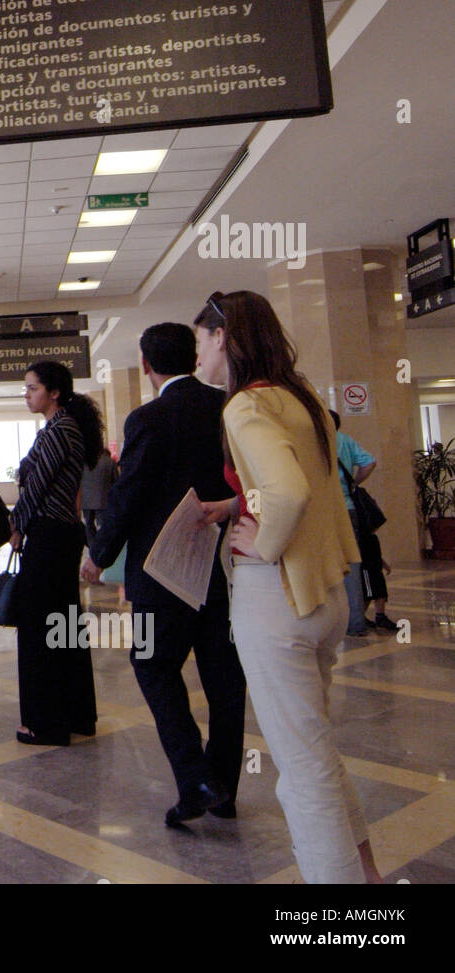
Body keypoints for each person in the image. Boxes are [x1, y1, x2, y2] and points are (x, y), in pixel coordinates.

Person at [193, 290, 381, 884]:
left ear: (222, 336)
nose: (198, 353)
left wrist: (262, 541)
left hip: (276, 600)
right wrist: (235, 506)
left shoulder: (243, 408)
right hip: (324, 594)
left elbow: (292, 494)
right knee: (316, 752)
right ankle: (367, 877)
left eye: (201, 339)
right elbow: (304, 487)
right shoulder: (301, 399)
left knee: (302, 770)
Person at [80, 324, 246, 827]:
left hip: (161, 572)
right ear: (195, 358)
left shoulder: (148, 418)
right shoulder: (227, 409)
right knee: (223, 676)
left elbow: (130, 494)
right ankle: (224, 786)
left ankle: (195, 777)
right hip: (221, 563)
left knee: (153, 665)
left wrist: (99, 553)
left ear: (146, 365)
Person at [9, 361, 102, 747]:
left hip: (48, 535)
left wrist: (16, 524)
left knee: (39, 628)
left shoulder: (58, 430)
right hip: (63, 535)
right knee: (64, 626)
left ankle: (45, 722)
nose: (27, 395)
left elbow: (35, 487)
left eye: (32, 388)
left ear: (54, 393)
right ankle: (77, 714)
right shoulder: (65, 429)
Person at [329, 409, 377, 637]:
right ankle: (356, 622)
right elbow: (369, 462)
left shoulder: (316, 440)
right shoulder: (346, 440)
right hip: (348, 507)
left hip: (326, 509)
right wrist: (353, 483)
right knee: (353, 563)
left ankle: (333, 620)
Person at [80, 447, 116, 551]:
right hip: (103, 500)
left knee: (89, 524)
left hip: (86, 501)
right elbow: (116, 482)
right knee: (102, 524)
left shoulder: (84, 463)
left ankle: (92, 547)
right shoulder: (110, 462)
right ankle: (102, 546)